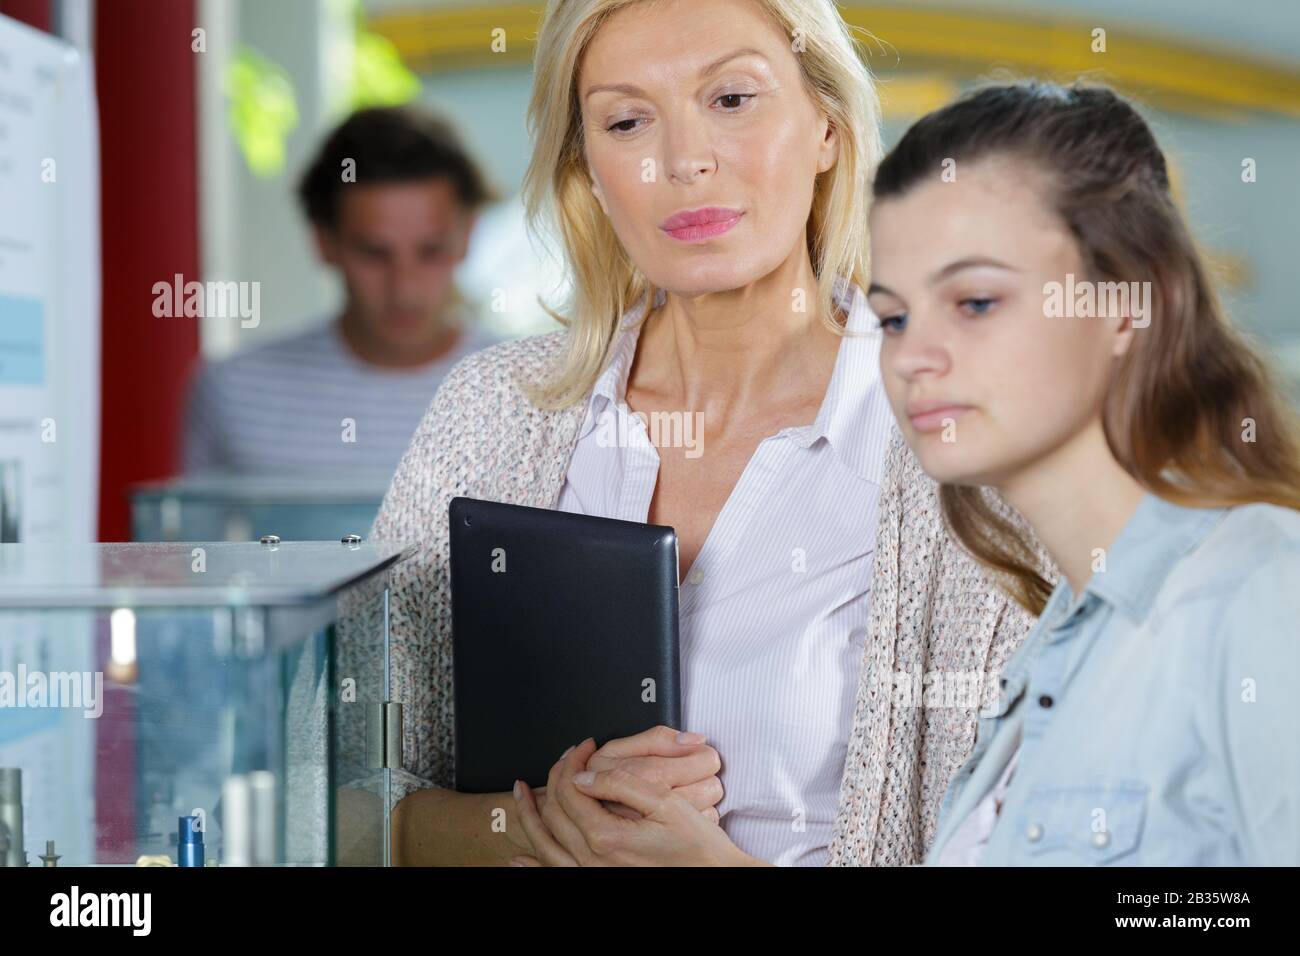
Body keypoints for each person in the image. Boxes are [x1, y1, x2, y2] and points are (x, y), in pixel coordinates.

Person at [516, 81, 1300, 867]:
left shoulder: (1259, 588)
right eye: (894, 318)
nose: (916, 356)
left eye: (978, 301)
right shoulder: (1056, 644)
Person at [347, 0, 1043, 867]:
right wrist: (539, 825)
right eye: (628, 120)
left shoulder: (977, 449)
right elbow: (337, 798)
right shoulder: (495, 408)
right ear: (588, 169)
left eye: (732, 99)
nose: (686, 162)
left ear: (827, 127)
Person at [183, 105, 499, 478]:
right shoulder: (234, 391)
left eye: (430, 251)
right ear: (323, 242)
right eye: (374, 254)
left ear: (467, 236)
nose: (404, 289)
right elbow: (194, 534)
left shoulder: (531, 394)